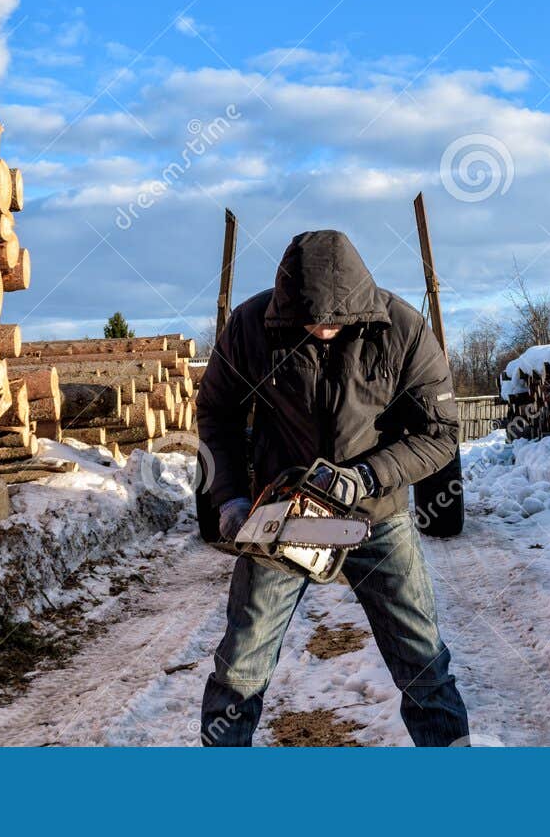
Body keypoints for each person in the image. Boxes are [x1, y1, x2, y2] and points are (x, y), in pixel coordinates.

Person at [195, 229, 470, 746]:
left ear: (357, 306)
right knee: (240, 667)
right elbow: (215, 413)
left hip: (375, 515)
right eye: (308, 321)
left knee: (423, 663)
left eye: (332, 322)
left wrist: (367, 476)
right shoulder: (252, 327)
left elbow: (439, 435)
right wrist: (229, 497)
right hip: (281, 514)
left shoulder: (404, 330)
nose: (321, 331)